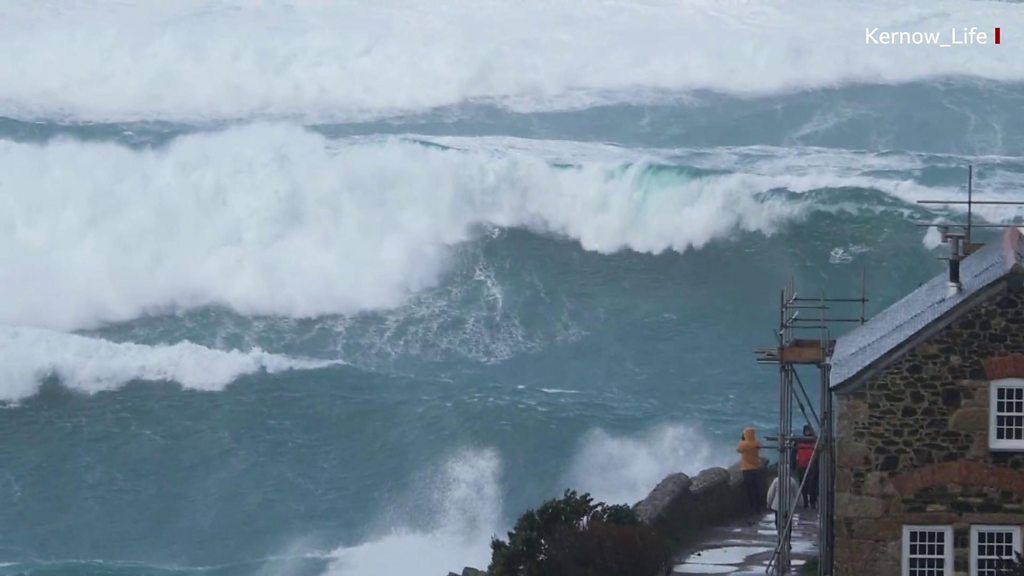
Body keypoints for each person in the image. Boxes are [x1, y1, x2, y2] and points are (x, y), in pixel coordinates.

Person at [736, 427, 764, 514]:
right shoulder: (756, 443)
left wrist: (742, 439)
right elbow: (760, 446)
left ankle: (751, 507)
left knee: (749, 489)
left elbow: (738, 450)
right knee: (756, 489)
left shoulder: (743, 444)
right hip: (756, 468)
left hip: (746, 469)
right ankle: (758, 507)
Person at [795, 424, 819, 509]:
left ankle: (812, 502)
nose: (807, 432)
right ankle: (805, 502)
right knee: (803, 485)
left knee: (812, 486)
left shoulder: (815, 441)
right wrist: (794, 465)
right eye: (806, 431)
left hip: (812, 465)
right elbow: (794, 453)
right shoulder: (799, 441)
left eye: (808, 430)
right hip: (801, 466)